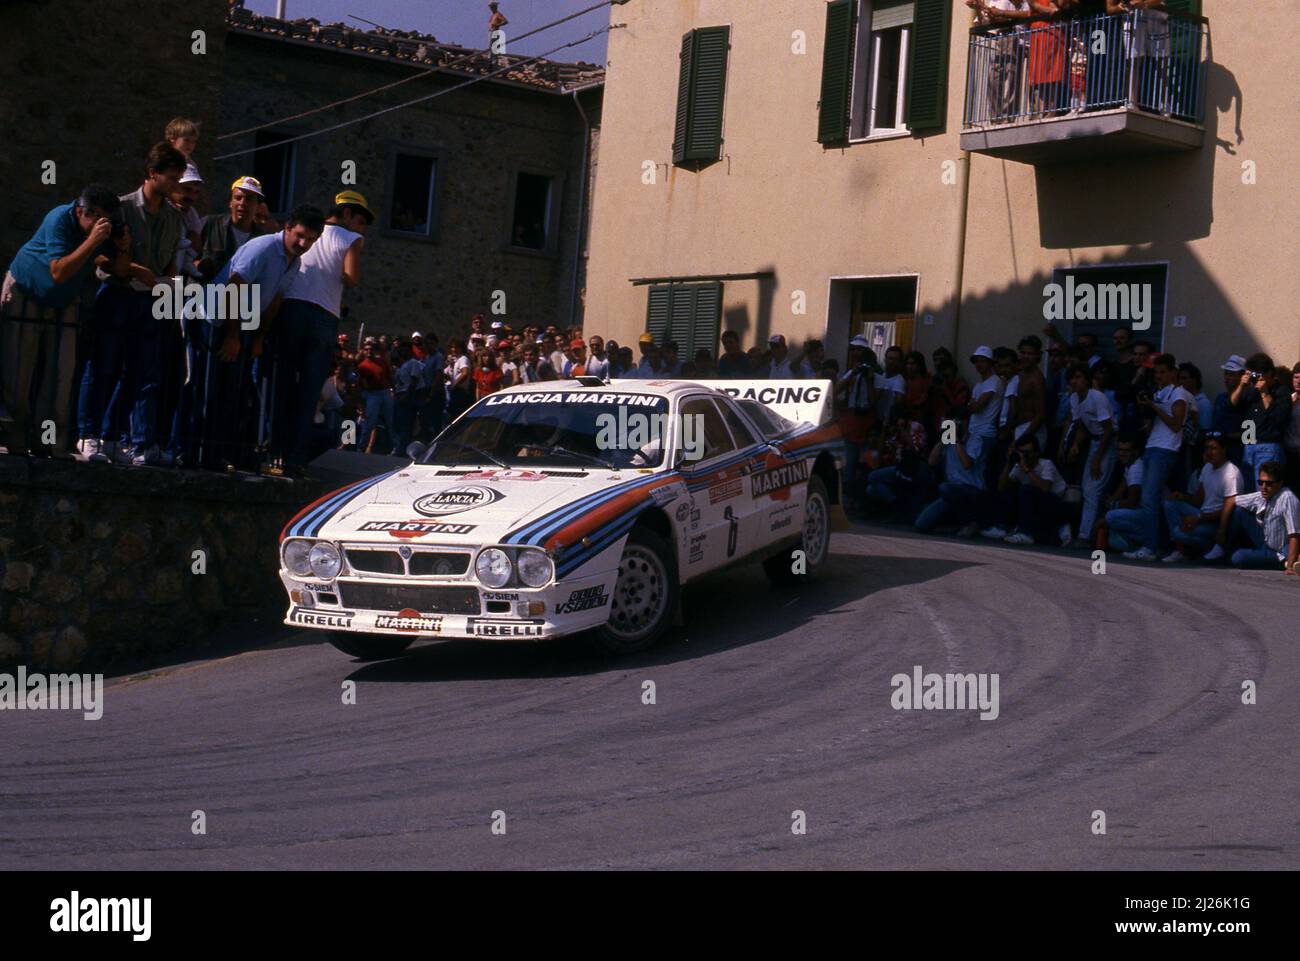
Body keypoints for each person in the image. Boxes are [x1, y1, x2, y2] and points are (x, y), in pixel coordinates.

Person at [174, 205, 325, 470]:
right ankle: (189, 453)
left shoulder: (294, 260)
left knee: (230, 393)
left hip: (239, 324)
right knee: (206, 389)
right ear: (287, 227)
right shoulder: (263, 248)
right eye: (300, 235)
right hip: (212, 319)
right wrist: (233, 336)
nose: (304, 244)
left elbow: (275, 300)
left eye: (311, 240)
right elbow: (234, 288)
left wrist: (258, 338)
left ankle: (215, 454)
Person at [80, 143, 187, 467]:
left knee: (139, 373)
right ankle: (88, 433)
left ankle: (113, 437)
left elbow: (169, 261)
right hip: (117, 293)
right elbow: (96, 252)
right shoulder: (121, 208)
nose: (175, 186)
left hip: (150, 299)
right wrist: (127, 268)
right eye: (171, 178)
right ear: (152, 173)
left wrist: (165, 285)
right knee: (102, 366)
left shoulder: (173, 217)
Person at [2, 185, 129, 458]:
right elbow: (58, 271)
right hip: (26, 291)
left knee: (60, 375)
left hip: (63, 300)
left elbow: (119, 270)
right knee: (19, 371)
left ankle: (50, 442)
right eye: (99, 220)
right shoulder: (59, 218)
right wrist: (93, 242)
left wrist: (122, 248)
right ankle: (14, 440)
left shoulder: (100, 232)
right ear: (83, 211)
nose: (104, 226)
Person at [270, 190, 371, 476]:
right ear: (347, 214)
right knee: (310, 390)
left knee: (283, 384)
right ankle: (295, 459)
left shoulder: (307, 232)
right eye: (360, 221)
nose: (361, 229)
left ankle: (274, 452)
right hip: (324, 314)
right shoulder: (351, 239)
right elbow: (352, 278)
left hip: (291, 307)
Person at [1123, 353, 1190, 561]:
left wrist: (1154, 406)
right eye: (1156, 372)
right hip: (1152, 446)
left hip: (1165, 449)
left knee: (1149, 498)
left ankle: (1150, 547)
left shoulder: (1179, 393)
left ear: (1173, 372)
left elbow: (1176, 424)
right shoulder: (1160, 392)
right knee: (1155, 499)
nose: (1159, 376)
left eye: (1163, 372)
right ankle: (1160, 544)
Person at [1161, 432, 1242, 563]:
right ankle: (1181, 550)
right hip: (1202, 515)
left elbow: (1229, 511)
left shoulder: (1231, 472)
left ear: (1224, 450)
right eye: (1207, 448)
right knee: (1170, 504)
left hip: (1217, 523)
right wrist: (1182, 497)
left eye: (1214, 448)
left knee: (1178, 532)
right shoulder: (1207, 467)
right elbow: (1198, 500)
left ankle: (1210, 547)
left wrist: (1200, 519)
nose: (1209, 452)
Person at [1062, 363, 1115, 547]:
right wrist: (1076, 445)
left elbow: (1108, 430)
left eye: (1078, 377)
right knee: (1087, 489)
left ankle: (1085, 536)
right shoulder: (1075, 399)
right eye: (1072, 378)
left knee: (1093, 490)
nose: (1075, 382)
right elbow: (1081, 426)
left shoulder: (1097, 398)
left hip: (1106, 443)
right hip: (1092, 441)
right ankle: (1092, 532)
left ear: (1087, 379)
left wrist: (1097, 459)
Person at [994, 434, 1072, 546]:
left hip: (1057, 505)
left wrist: (1026, 468)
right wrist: (1008, 462)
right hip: (1037, 507)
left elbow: (1045, 488)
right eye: (1021, 452)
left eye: (1028, 452)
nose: (1024, 456)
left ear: (1037, 453)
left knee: (1026, 490)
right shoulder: (1018, 467)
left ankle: (1026, 534)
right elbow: (1001, 487)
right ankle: (1003, 527)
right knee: (1011, 490)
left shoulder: (1046, 464)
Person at [1222, 461, 1300, 572]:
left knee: (1238, 557)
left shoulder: (1288, 498)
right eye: (1261, 482)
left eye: (1269, 483)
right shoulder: (1262, 495)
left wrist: (1290, 566)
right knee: (1238, 511)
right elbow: (1231, 501)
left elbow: (1295, 535)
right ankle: (1224, 550)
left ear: (1279, 483)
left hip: (1279, 551)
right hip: (1265, 541)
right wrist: (1221, 533)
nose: (1263, 487)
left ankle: (1285, 562)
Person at [1234, 352, 1291, 492]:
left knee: (1265, 492)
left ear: (1269, 373)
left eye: (1259, 374)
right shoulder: (1250, 390)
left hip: (1268, 446)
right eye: (1254, 374)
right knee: (1248, 492)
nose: (1256, 379)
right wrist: (1241, 385)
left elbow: (1278, 417)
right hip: (1248, 443)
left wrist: (1265, 393)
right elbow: (1232, 404)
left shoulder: (1281, 392)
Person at [197, 176, 269, 282]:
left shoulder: (262, 240)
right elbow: (186, 257)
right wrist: (200, 265)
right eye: (238, 198)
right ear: (230, 202)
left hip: (239, 297)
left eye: (249, 199)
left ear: (257, 206)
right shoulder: (209, 224)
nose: (242, 203)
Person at [1097, 433, 1145, 551]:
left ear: (1135, 452)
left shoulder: (1137, 468)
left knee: (1110, 517)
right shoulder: (1129, 466)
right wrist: (1110, 503)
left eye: (1126, 451)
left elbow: (1132, 503)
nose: (1122, 453)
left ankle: (1138, 541)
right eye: (1120, 450)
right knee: (1109, 524)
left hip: (1145, 516)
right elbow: (1120, 490)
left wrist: (1112, 506)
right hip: (1137, 515)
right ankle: (1131, 542)